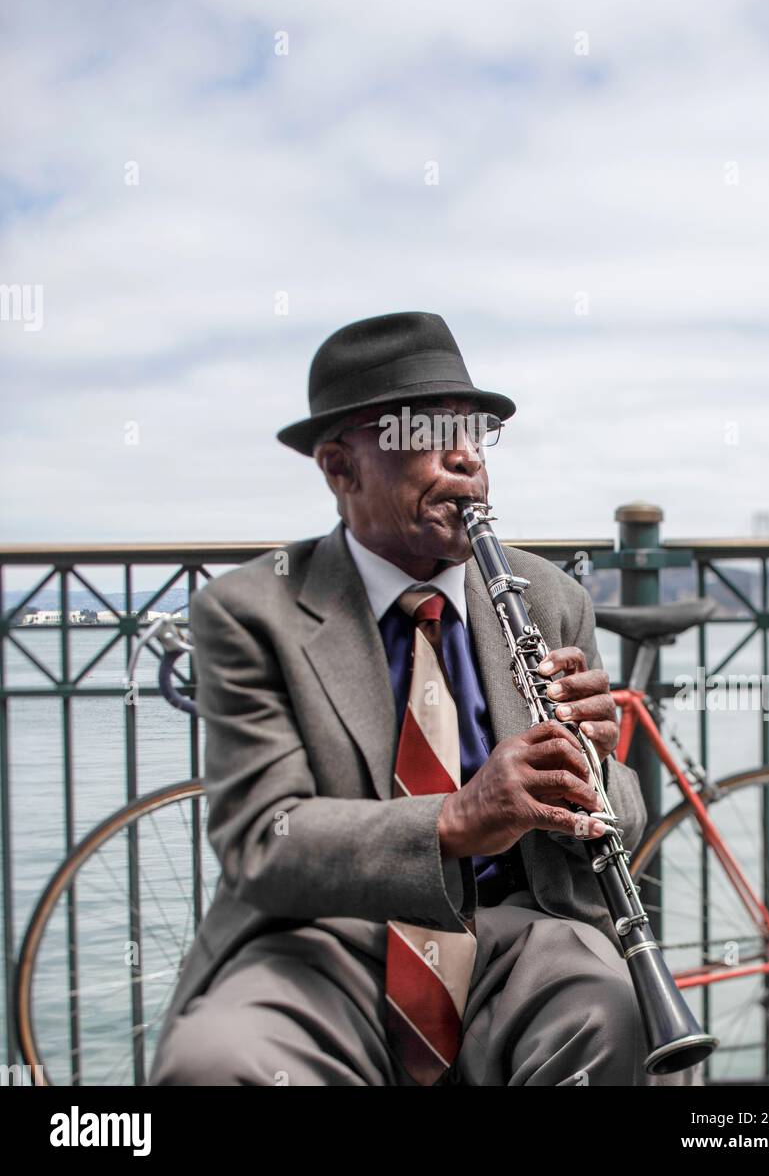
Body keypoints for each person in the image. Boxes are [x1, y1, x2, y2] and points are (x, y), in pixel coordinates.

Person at [148, 310, 653, 1087]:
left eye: (474, 432)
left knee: (608, 1009)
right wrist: (454, 820)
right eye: (421, 433)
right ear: (340, 468)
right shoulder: (252, 612)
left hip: (513, 936)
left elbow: (617, 817)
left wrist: (595, 765)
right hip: (323, 941)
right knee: (220, 1061)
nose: (463, 459)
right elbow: (263, 842)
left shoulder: (549, 596)